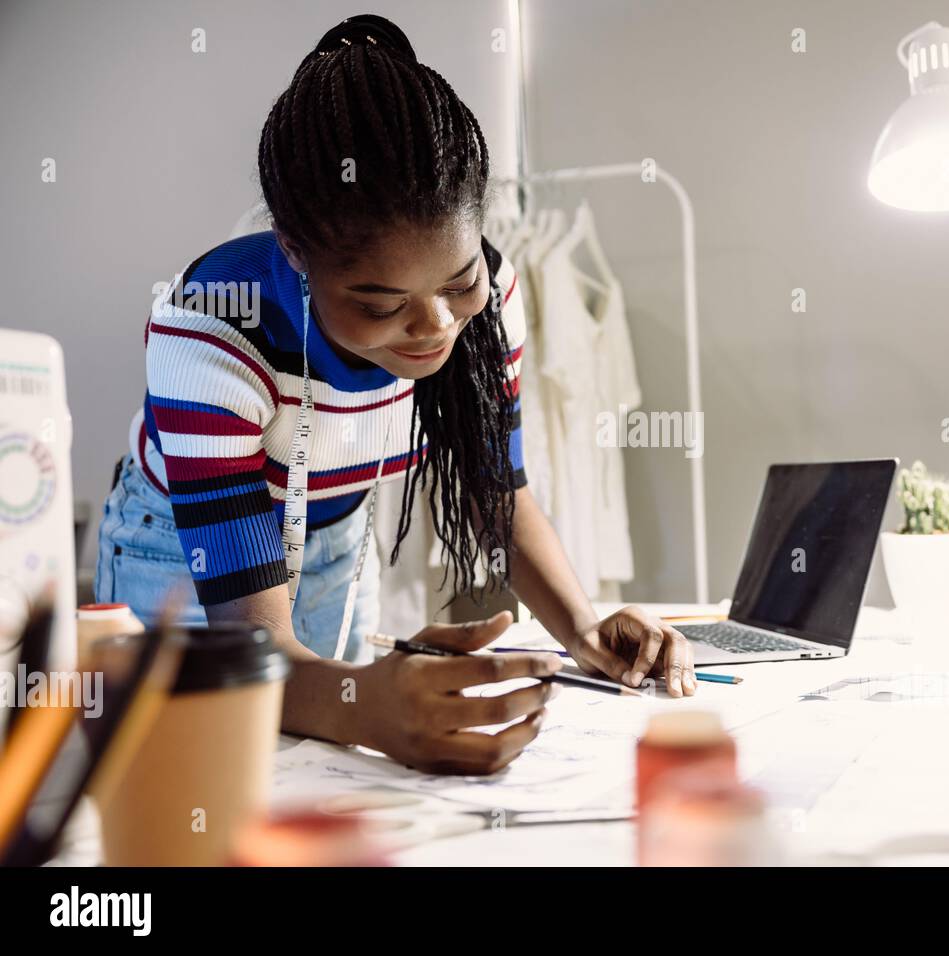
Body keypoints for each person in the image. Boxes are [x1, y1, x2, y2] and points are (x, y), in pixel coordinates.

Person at [94, 14, 695, 776]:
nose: (435, 325)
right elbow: (252, 650)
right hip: (176, 555)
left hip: (337, 539)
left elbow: (497, 490)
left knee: (328, 783)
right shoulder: (209, 329)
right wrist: (372, 703)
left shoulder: (492, 298)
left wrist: (582, 629)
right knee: (199, 782)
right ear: (294, 251)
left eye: (460, 280)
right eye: (381, 305)